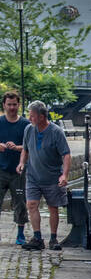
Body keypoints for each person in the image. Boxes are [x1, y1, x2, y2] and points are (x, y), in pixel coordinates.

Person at [16, 100, 71, 252]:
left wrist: (64, 175)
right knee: (31, 205)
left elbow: (66, 154)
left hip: (52, 177)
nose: (29, 118)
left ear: (41, 117)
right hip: (33, 176)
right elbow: (25, 149)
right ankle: (37, 238)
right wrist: (21, 163)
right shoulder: (29, 129)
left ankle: (53, 238)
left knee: (53, 207)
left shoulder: (56, 132)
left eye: (32, 116)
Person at [0, 90, 28, 245]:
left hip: (18, 170)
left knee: (20, 203)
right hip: (0, 169)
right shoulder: (0, 122)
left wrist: (17, 147)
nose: (11, 107)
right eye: (9, 104)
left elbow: (30, 147)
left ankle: (20, 234)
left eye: (14, 104)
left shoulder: (25, 124)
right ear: (4, 105)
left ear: (18, 105)